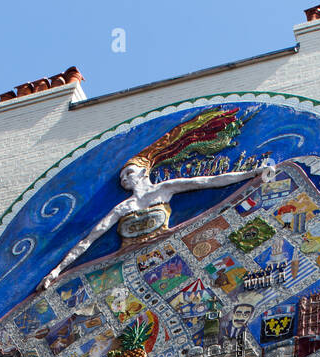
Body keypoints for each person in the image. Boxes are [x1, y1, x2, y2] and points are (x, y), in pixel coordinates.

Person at [37, 109, 274, 291]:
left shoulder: (165, 189)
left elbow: (210, 181)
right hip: (130, 263)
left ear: (143, 172)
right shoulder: (123, 207)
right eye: (121, 177)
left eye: (128, 173)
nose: (123, 180)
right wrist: (56, 271)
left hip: (166, 254)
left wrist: (252, 173)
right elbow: (88, 240)